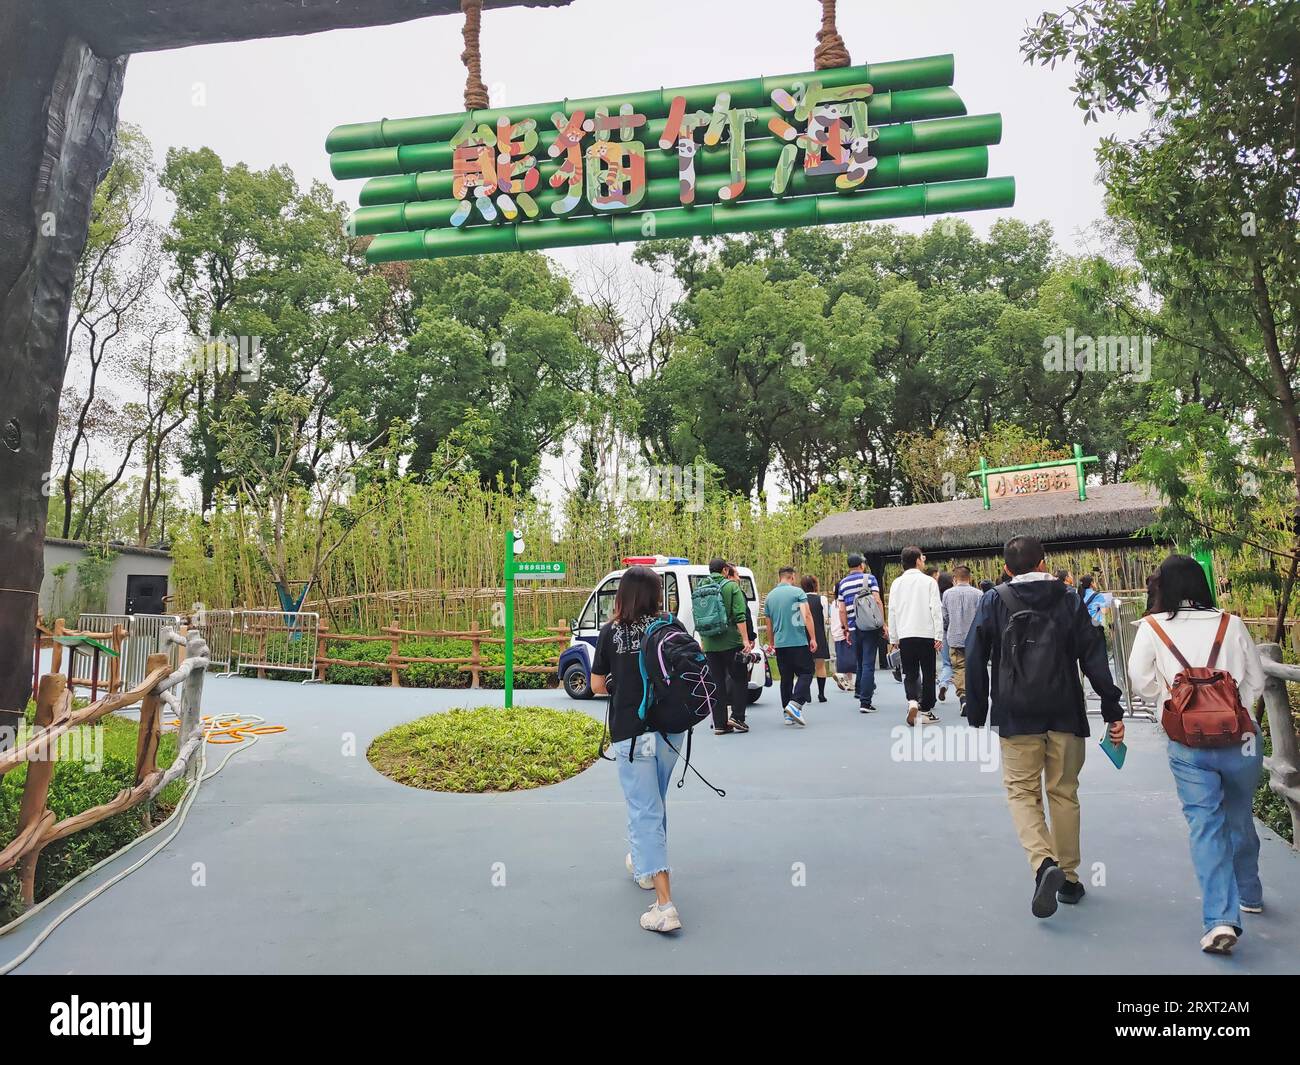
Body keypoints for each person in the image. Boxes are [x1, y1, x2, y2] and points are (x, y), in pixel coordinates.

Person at [964, 535, 1125, 920]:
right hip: (1066, 710)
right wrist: (1110, 705)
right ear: (1044, 562)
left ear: (1006, 568)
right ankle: (1068, 878)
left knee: (1022, 792)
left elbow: (974, 653)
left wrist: (977, 707)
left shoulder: (993, 600)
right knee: (1064, 792)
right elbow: (1093, 652)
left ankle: (1042, 864)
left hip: (1016, 713)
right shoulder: (1069, 598)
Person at [1126, 555, 1266, 955]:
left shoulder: (1152, 627)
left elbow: (1139, 678)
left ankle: (1220, 920)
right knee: (1239, 814)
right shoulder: (1231, 623)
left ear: (1164, 587)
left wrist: (1169, 704)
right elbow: (1255, 680)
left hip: (1188, 743)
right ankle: (1251, 894)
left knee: (1206, 825)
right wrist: (1236, 714)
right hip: (1240, 740)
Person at [590, 565, 684, 933]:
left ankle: (665, 906)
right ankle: (645, 868)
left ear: (623, 595)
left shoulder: (611, 632)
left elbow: (598, 685)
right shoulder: (670, 626)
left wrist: (621, 682)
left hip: (634, 734)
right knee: (654, 804)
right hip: (671, 734)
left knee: (644, 809)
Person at [887, 546, 944, 727]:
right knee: (928, 672)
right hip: (926, 633)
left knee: (909, 672)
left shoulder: (896, 583)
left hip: (905, 634)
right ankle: (925, 709)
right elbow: (935, 609)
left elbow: (893, 611)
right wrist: (939, 635)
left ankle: (912, 701)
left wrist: (894, 638)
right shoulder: (929, 582)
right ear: (918, 560)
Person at [698, 558, 753, 735]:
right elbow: (740, 615)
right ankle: (738, 717)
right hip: (731, 642)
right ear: (724, 571)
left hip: (709, 643)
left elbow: (699, 615)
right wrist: (745, 639)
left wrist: (703, 639)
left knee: (716, 682)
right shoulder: (731, 587)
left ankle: (720, 724)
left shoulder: (700, 587)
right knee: (739, 678)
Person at [764, 566, 816, 726]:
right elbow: (806, 615)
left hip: (780, 643)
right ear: (792, 577)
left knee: (786, 678)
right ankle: (795, 704)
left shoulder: (770, 597)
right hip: (798, 640)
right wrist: (813, 637)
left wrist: (771, 642)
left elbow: (768, 623)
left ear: (780, 577)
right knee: (807, 672)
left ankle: (787, 713)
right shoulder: (798, 593)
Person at [836, 553, 887, 713]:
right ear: (862, 565)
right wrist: (882, 623)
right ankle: (865, 702)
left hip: (853, 628)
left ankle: (859, 691)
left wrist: (845, 629)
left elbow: (842, 610)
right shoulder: (869, 579)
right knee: (868, 664)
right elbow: (877, 601)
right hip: (870, 627)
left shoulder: (842, 584)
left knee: (859, 662)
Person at [941, 565, 982, 714]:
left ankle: (963, 698)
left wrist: (947, 628)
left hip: (955, 637)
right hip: (975, 638)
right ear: (969, 578)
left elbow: (944, 617)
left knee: (959, 669)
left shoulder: (947, 594)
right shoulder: (978, 594)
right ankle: (975, 697)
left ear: (954, 578)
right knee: (975, 668)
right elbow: (982, 617)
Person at [801, 575, 832, 702]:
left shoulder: (800, 599)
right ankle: (821, 694)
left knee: (805, 666)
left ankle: (806, 694)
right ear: (815, 585)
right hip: (818, 633)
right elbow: (825, 616)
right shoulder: (822, 599)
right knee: (820, 665)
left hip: (803, 633)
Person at [828, 578, 855, 691]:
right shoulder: (843, 603)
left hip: (835, 633)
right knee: (850, 659)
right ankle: (843, 676)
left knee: (842, 657)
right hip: (844, 632)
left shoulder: (833, 604)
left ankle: (849, 682)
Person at [936, 570, 955, 701]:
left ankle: (943, 683)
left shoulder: (936, 596)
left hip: (942, 632)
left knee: (946, 663)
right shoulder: (952, 595)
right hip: (956, 631)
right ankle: (963, 692)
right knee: (961, 664)